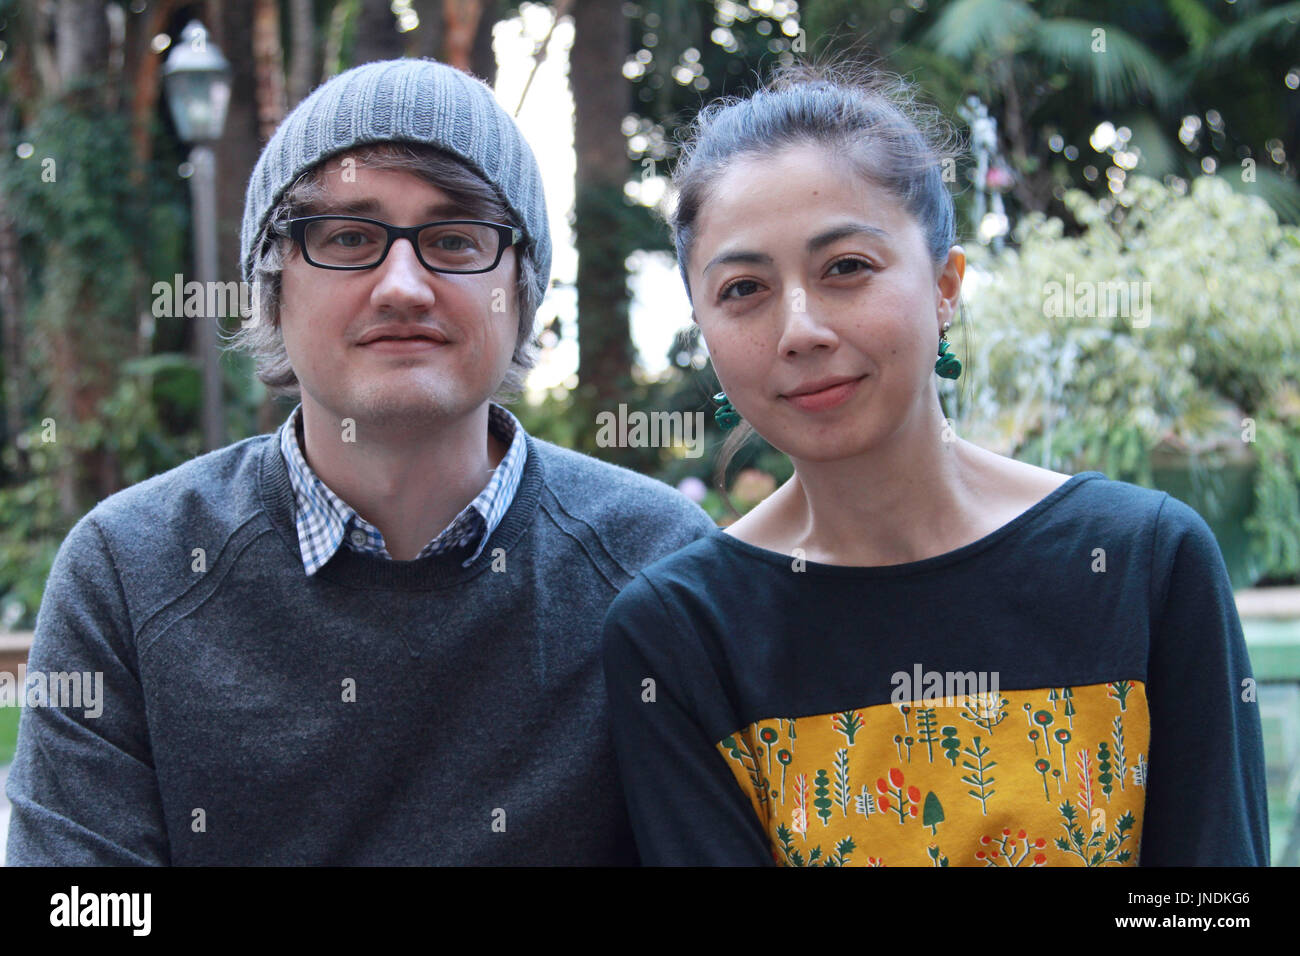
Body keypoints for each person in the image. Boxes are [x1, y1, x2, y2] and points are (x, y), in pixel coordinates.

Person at [6, 58, 716, 865]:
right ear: (273, 284)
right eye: (348, 238)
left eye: (455, 239)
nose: (404, 286)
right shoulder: (129, 573)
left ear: (521, 288)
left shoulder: (657, 564)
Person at [601, 62, 1270, 867]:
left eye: (846, 267)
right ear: (704, 329)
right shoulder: (682, 632)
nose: (800, 330)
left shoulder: (1142, 564)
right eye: (744, 288)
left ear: (947, 285)